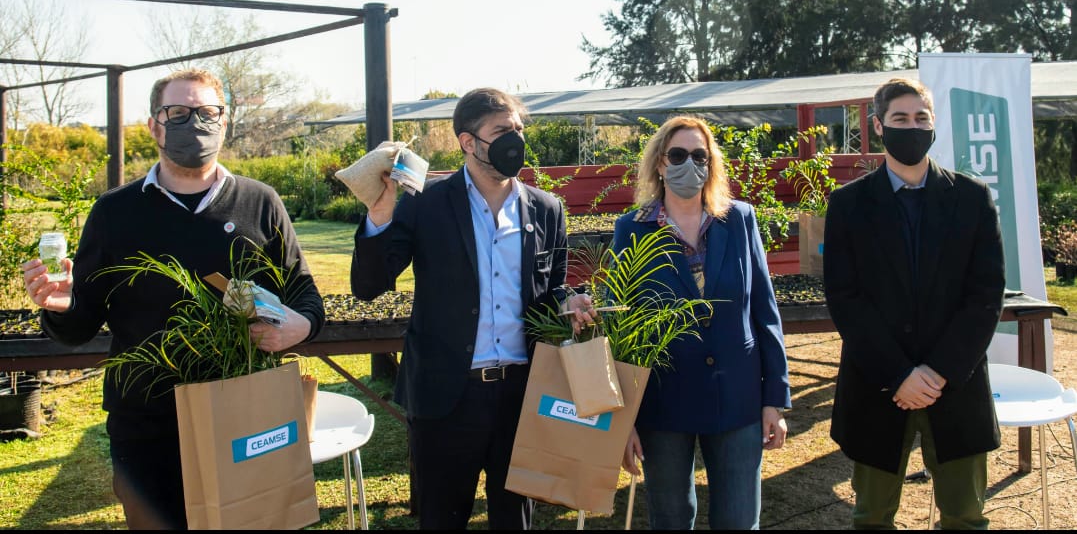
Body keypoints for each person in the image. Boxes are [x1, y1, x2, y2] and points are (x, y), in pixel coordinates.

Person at [20, 68, 325, 530]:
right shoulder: (115, 213)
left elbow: (303, 292)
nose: (194, 124)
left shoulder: (259, 202)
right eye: (177, 113)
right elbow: (78, 328)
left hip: (243, 413)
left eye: (206, 112)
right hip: (146, 424)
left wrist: (300, 327)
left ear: (225, 121)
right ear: (153, 125)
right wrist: (60, 306)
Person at [350, 87, 593, 530]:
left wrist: (569, 301)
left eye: (518, 130)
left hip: (521, 394)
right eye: (501, 131)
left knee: (514, 521)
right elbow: (369, 287)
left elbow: (551, 288)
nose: (514, 140)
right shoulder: (425, 204)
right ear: (468, 141)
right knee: (443, 519)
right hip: (447, 397)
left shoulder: (546, 209)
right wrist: (381, 214)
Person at [824, 77, 1005, 529]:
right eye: (900, 118)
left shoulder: (972, 198)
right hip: (880, 385)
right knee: (871, 517)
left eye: (921, 118)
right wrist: (900, 374)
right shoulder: (848, 204)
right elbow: (846, 298)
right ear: (879, 126)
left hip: (955, 385)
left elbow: (986, 295)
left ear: (934, 124)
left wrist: (937, 370)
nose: (912, 126)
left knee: (965, 516)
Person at [616, 115, 791, 530]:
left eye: (700, 155)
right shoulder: (633, 229)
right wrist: (622, 421)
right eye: (678, 155)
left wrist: (775, 399)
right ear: (659, 163)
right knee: (672, 517)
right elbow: (621, 328)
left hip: (737, 398)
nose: (688, 164)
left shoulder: (740, 220)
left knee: (738, 519)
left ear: (711, 164)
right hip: (664, 402)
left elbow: (764, 310)